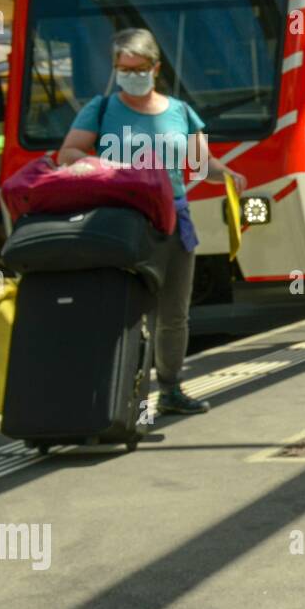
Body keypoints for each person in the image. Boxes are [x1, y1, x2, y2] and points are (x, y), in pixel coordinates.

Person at [57, 27, 247, 416]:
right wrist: (107, 166)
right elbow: (69, 152)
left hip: (174, 219)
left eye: (138, 67)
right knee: (125, 309)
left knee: (173, 312)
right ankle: (124, 395)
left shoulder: (180, 112)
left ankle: (172, 388)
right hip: (120, 221)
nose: (129, 75)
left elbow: (199, 163)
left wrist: (225, 173)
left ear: (155, 68)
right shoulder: (102, 108)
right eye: (121, 68)